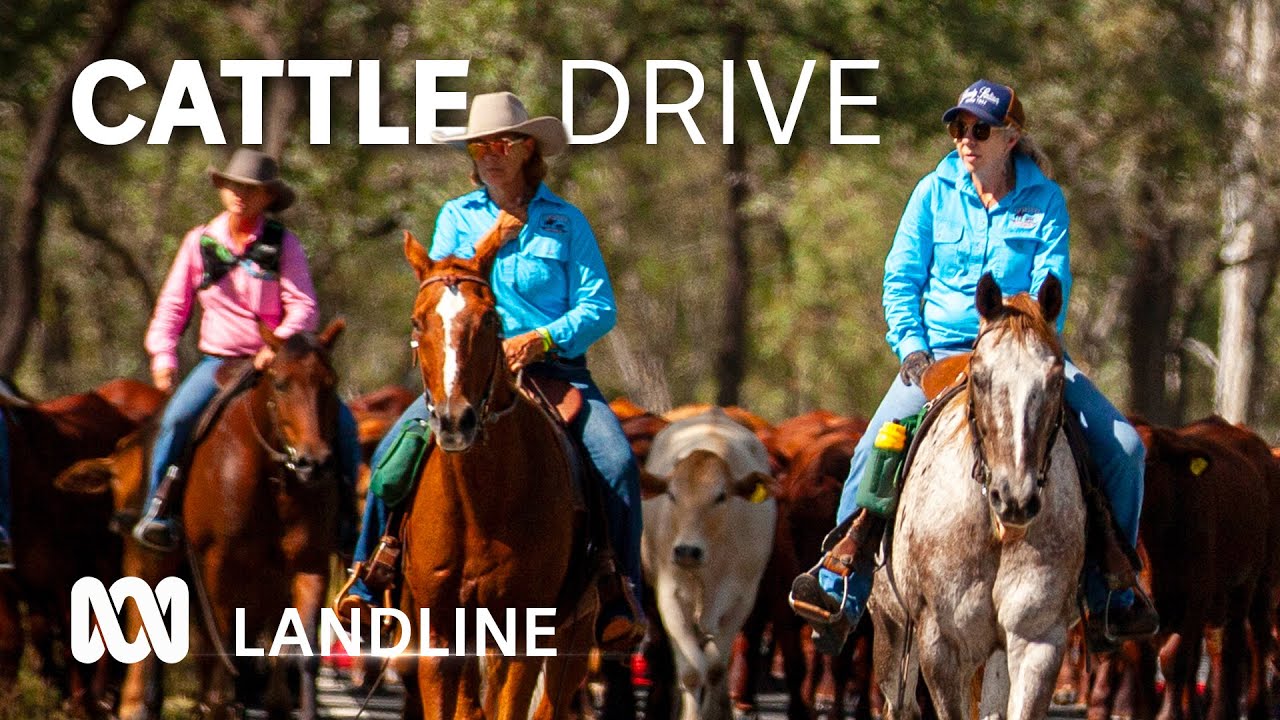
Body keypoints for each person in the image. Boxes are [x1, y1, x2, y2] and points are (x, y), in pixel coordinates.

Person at [789, 80, 1159, 653]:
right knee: (872, 448)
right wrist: (911, 349)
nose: (966, 139)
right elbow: (900, 279)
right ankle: (842, 583)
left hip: (1019, 350)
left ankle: (1109, 589)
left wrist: (1026, 345)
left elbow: (1050, 285)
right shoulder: (931, 194)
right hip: (938, 354)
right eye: (959, 128)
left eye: (980, 129)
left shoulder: (1046, 202)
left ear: (1011, 138)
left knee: (1125, 449)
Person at [334, 91, 646, 650]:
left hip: (558, 372)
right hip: (466, 372)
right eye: (479, 145)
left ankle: (618, 592)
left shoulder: (565, 221)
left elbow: (600, 308)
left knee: (617, 463)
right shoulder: (456, 216)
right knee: (389, 458)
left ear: (528, 149)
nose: (489, 154)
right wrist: (488, 244)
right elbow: (441, 283)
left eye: (501, 142)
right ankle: (368, 571)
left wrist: (544, 337)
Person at [133, 148, 360, 552]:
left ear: (268, 197)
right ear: (223, 190)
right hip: (218, 362)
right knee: (177, 419)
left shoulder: (283, 244)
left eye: (251, 190)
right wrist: (163, 355)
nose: (241, 195)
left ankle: (346, 520)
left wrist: (278, 344)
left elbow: (304, 305)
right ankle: (159, 508)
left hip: (274, 360)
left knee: (341, 423)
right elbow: (172, 305)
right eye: (234, 187)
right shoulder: (198, 243)